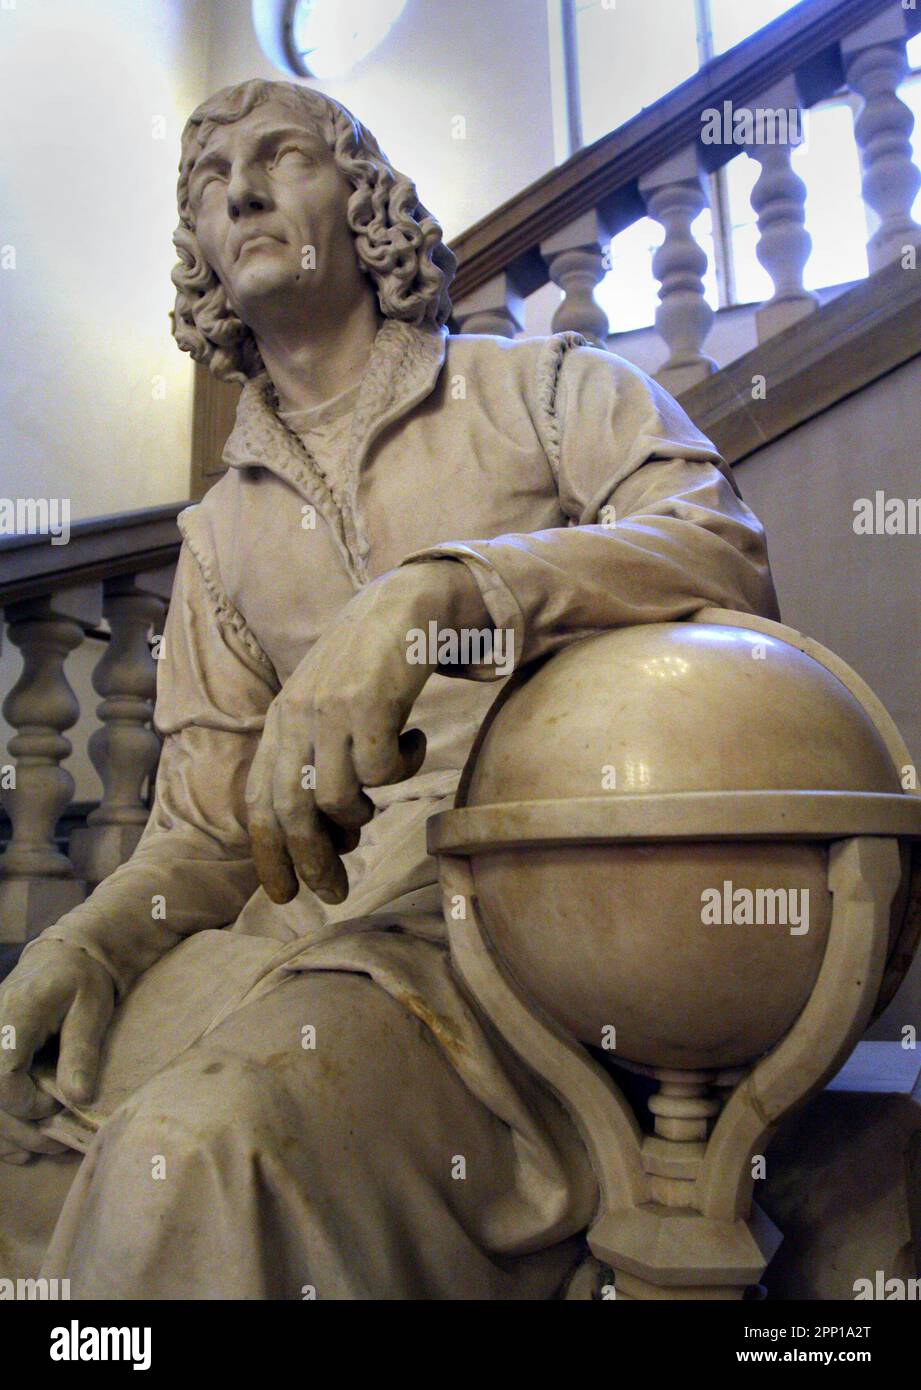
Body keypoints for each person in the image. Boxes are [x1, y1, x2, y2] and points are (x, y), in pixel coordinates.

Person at [0, 79, 779, 1298]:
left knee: (192, 1158)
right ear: (200, 249)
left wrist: (447, 591)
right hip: (278, 947)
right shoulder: (219, 533)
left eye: (279, 159)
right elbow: (206, 836)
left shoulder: (546, 392)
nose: (240, 190)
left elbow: (723, 550)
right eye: (209, 183)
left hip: (514, 934)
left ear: (363, 205)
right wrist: (85, 942)